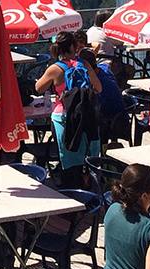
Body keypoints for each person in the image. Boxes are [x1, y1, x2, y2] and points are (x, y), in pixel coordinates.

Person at [36, 30, 104, 185]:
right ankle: (87, 189)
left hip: (63, 117)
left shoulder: (55, 69)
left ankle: (71, 194)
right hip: (85, 116)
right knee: (85, 158)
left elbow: (38, 88)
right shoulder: (85, 64)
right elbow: (99, 88)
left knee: (67, 159)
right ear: (75, 47)